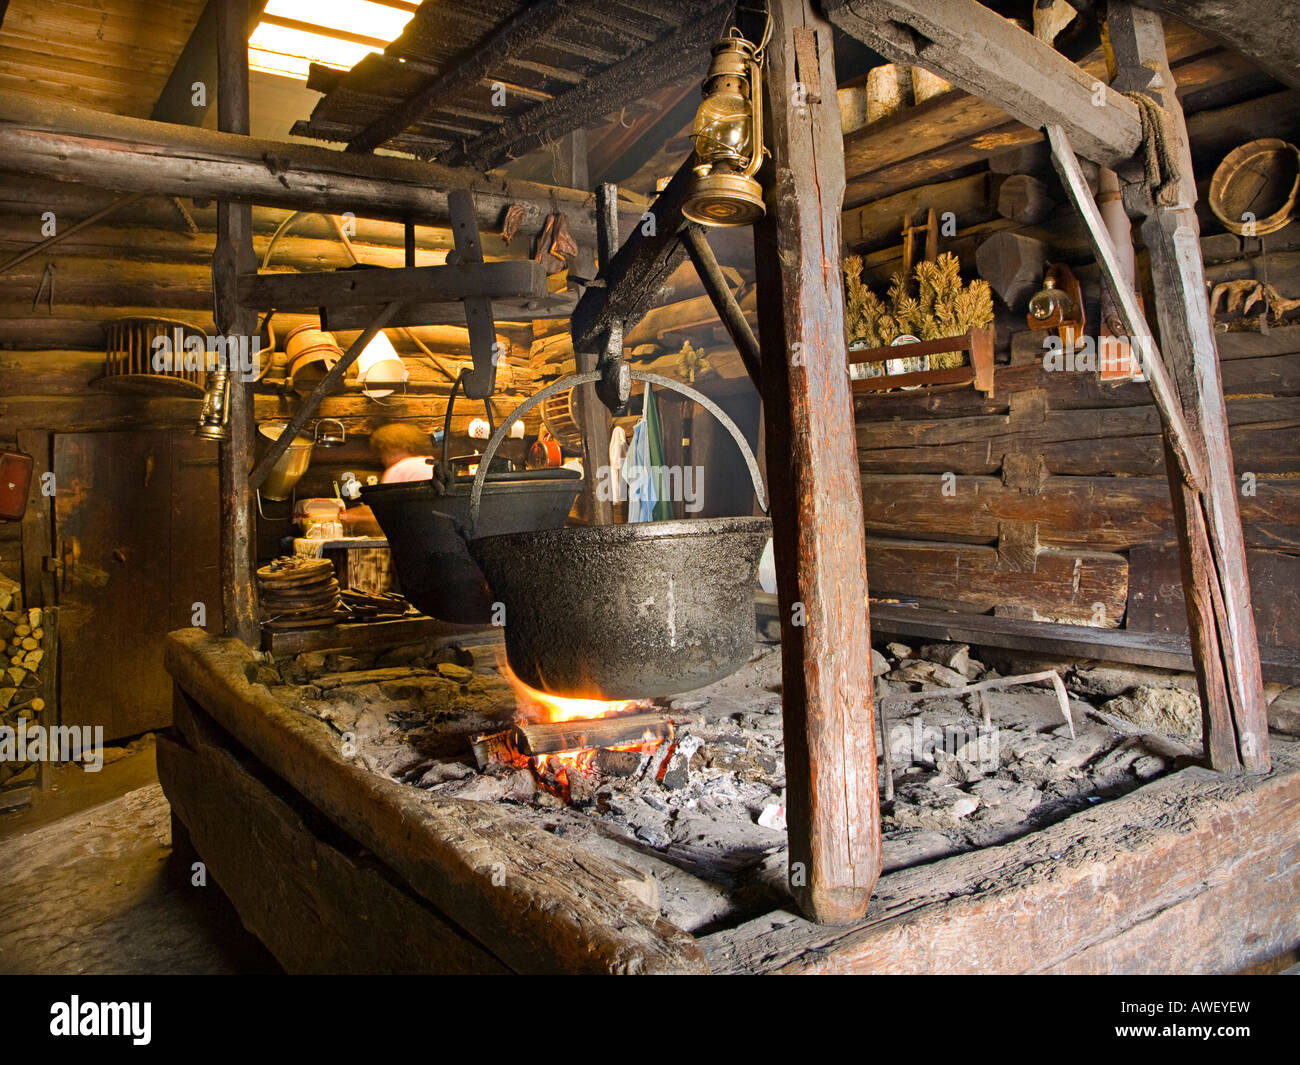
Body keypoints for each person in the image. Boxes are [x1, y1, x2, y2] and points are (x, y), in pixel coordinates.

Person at [370, 422, 436, 483]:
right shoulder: (431, 464)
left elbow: (385, 494)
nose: (384, 460)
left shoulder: (397, 470)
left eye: (385, 454)